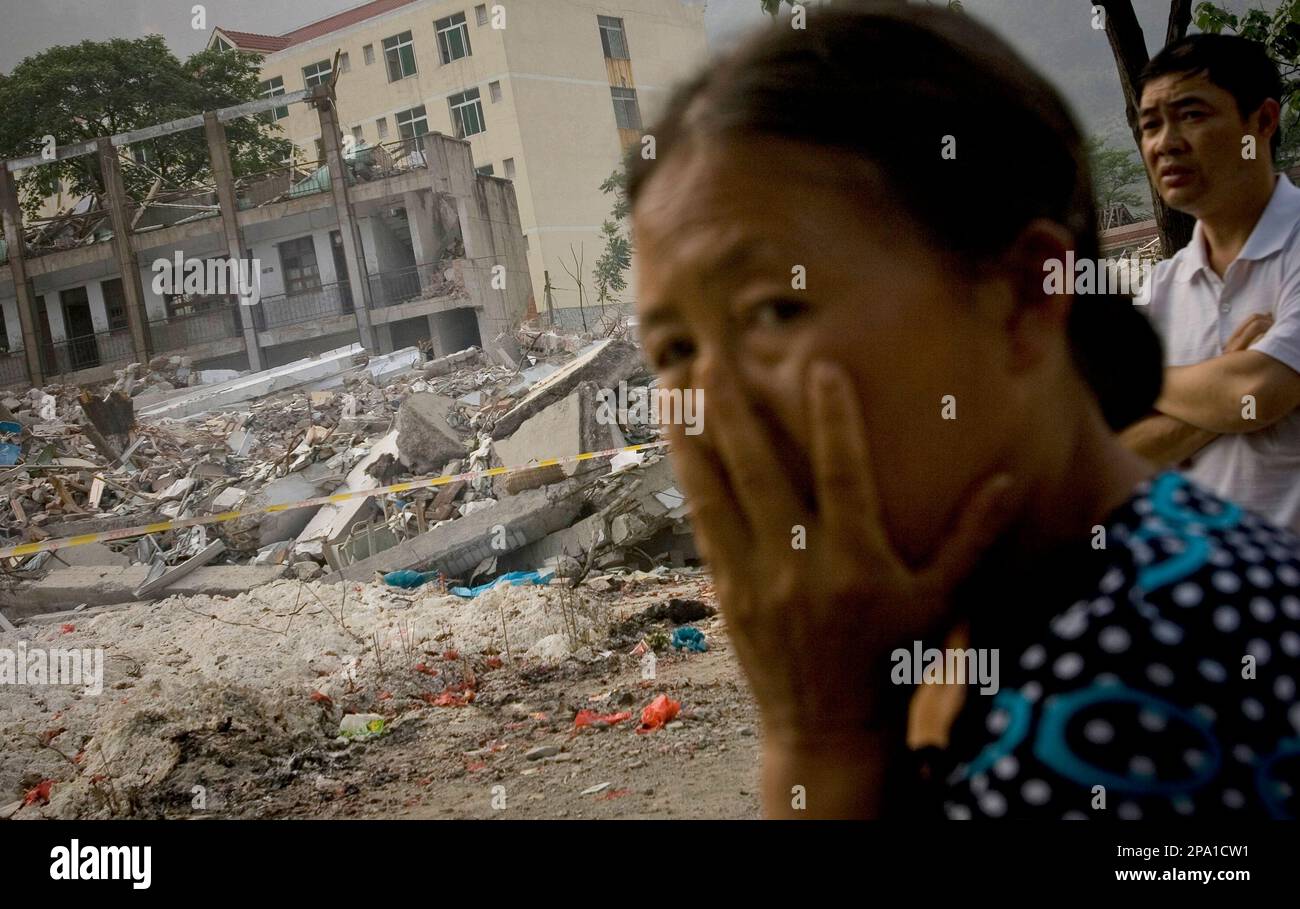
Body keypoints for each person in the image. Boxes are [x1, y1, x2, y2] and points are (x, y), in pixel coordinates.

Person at [629, 3, 1300, 819]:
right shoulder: (976, 616)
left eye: (774, 309)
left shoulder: (1147, 688)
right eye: (673, 351)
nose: (715, 405)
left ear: (1021, 298)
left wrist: (819, 740)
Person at [1122, 34, 1300, 534]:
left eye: (1192, 115)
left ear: (1263, 122)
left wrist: (1143, 381)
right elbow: (1117, 452)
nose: (1165, 142)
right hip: (1196, 598)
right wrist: (1218, 384)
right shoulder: (1161, 288)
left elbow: (1259, 390)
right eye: (1150, 124)